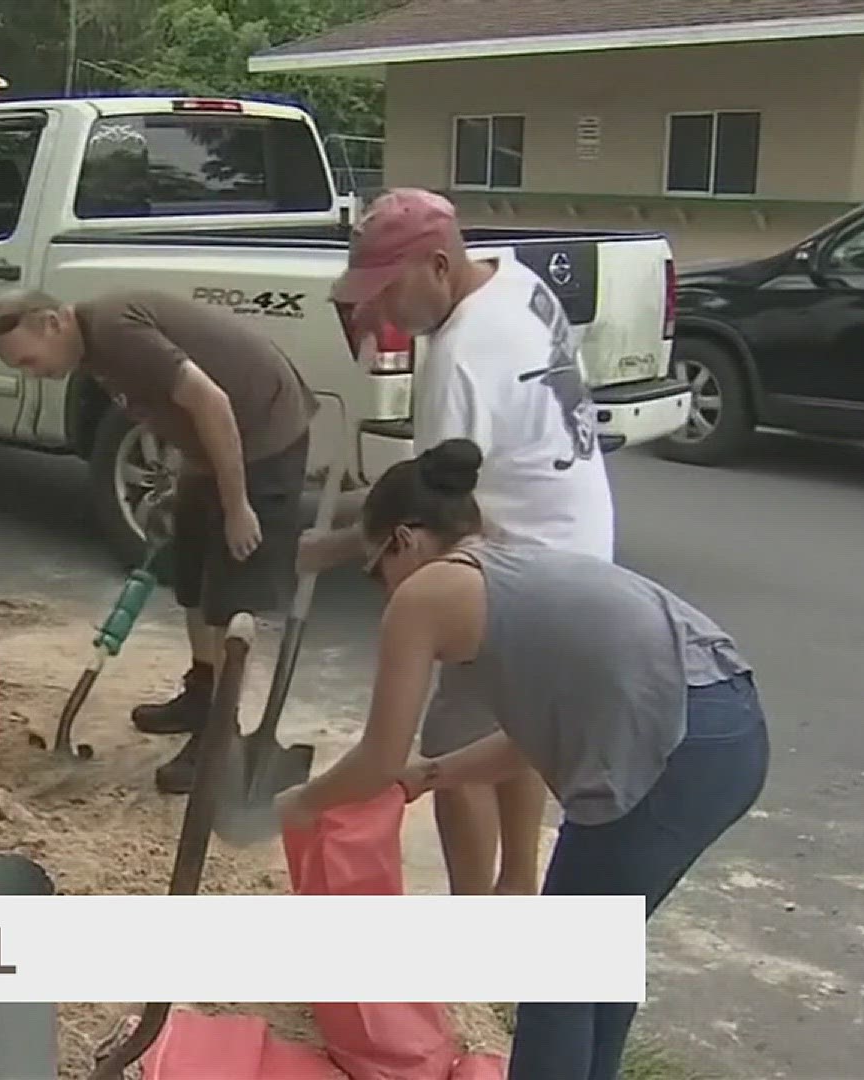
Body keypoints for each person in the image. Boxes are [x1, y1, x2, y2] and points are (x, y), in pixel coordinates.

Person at [277, 439, 768, 1080]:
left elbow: (376, 757)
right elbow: (539, 732)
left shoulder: (425, 595)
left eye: (374, 572)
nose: (381, 590)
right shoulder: (510, 568)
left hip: (675, 743)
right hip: (728, 724)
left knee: (558, 976)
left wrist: (297, 805)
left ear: (404, 541)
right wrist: (437, 773)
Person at [301, 187, 617, 897]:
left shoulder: (459, 356)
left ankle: (475, 920)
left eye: (388, 291)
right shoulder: (515, 281)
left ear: (438, 265)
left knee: (451, 749)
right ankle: (516, 888)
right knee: (521, 725)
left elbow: (430, 522)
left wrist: (322, 551)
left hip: (517, 564)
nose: (380, 313)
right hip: (578, 543)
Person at [0, 288, 317, 793]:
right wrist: (186, 480)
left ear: (52, 322)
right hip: (213, 449)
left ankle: (220, 737)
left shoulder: (115, 331)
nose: (34, 373)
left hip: (262, 437)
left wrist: (236, 505)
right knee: (191, 578)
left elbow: (211, 400)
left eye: (30, 361)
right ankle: (201, 694)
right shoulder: (89, 348)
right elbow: (171, 408)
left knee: (229, 597)